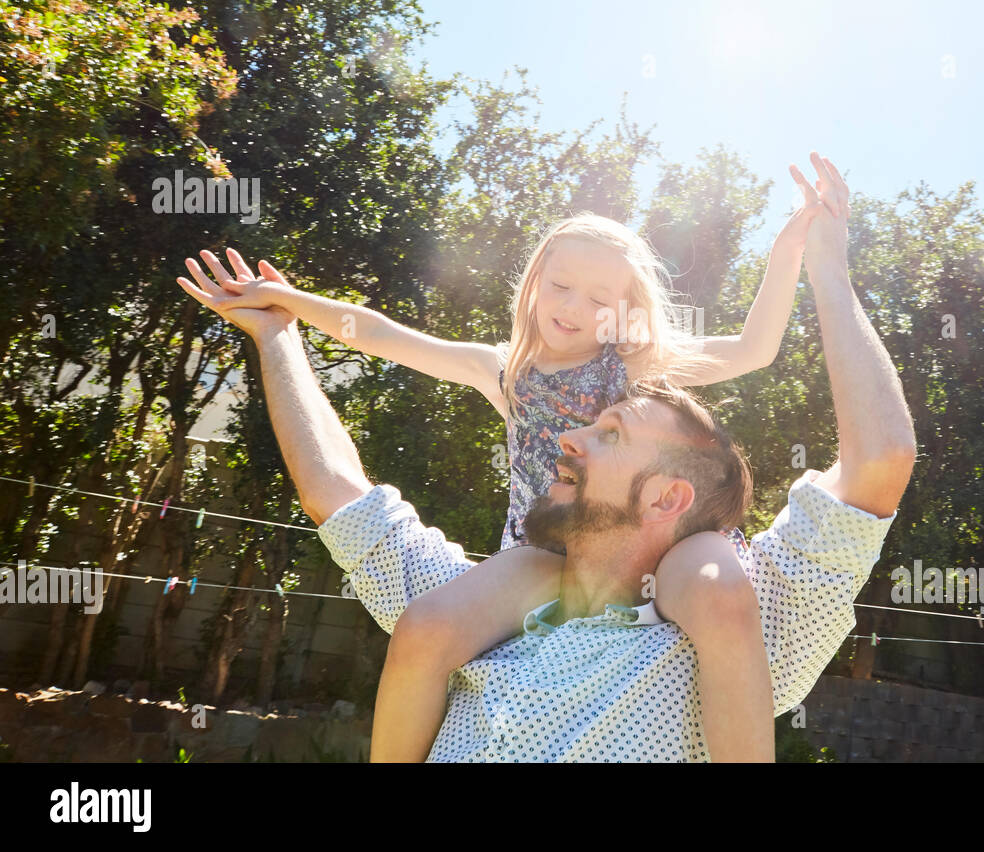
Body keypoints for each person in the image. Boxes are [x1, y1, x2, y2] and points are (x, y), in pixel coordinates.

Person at [178, 151, 916, 762]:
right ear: (533, 283)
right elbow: (376, 334)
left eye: (598, 296)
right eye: (559, 284)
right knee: (429, 628)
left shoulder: (634, 365)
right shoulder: (503, 370)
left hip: (656, 554)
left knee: (720, 591)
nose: (572, 305)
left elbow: (756, 350)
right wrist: (285, 307)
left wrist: (790, 253)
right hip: (540, 556)